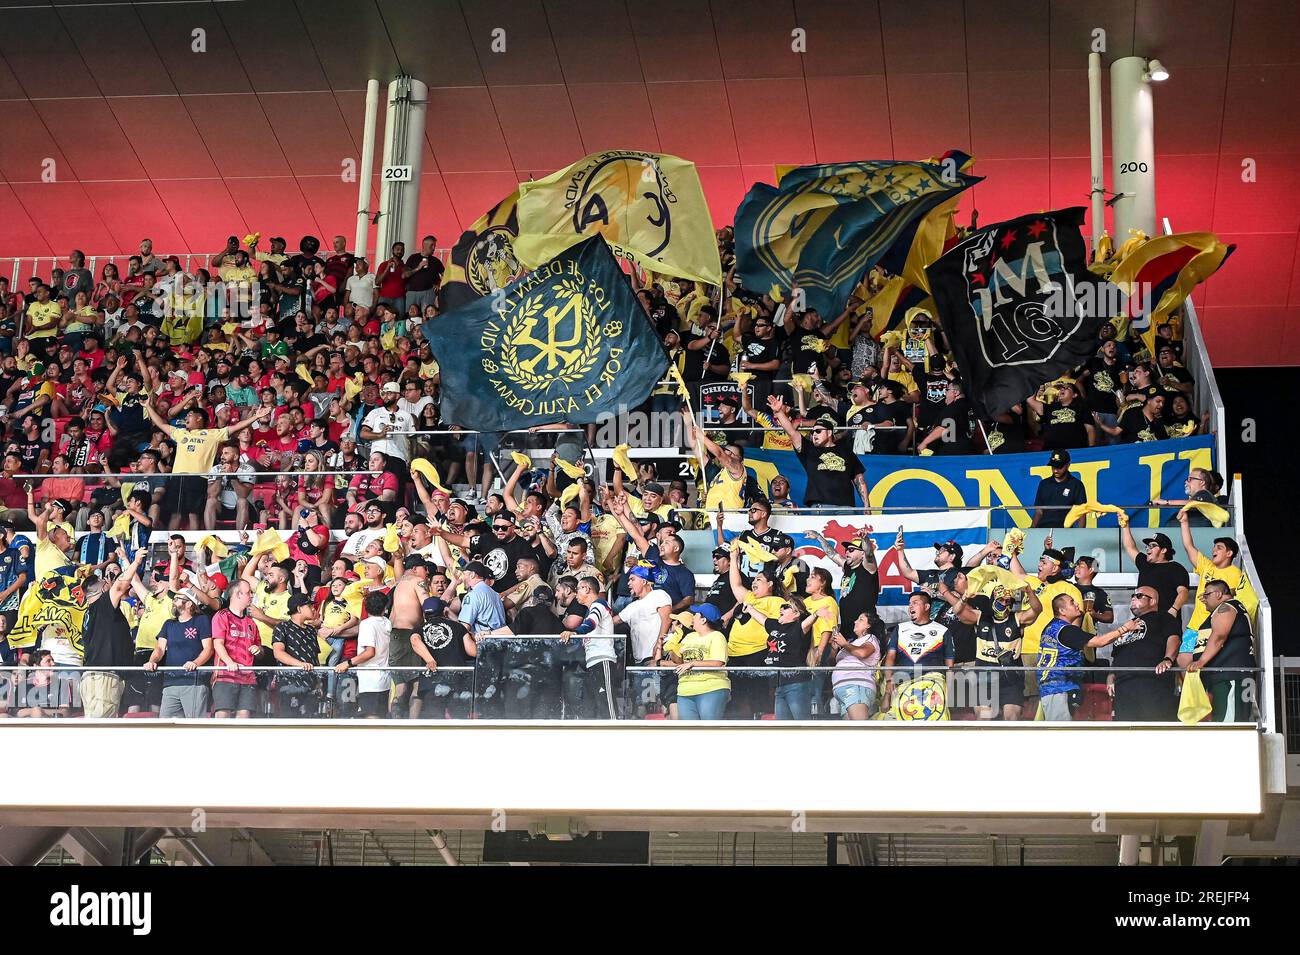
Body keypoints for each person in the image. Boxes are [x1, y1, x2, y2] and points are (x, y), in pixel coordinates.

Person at [1036, 594, 1143, 721]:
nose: (1077, 604)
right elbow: (1099, 641)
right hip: (1060, 689)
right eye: (1072, 602)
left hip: (1050, 689)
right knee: (1062, 734)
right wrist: (1125, 628)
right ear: (1062, 611)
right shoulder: (1067, 631)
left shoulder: (1050, 627)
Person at [955, 582, 1041, 721]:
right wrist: (965, 597)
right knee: (984, 718)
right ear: (993, 600)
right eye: (1000, 600)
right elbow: (958, 612)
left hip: (1010, 679)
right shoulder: (980, 617)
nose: (1004, 603)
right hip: (984, 678)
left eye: (1008, 601)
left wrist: (1030, 592)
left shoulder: (1018, 618)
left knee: (1011, 717)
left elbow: (1037, 610)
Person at [78, 551, 146, 718]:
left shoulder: (87, 615)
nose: (109, 583)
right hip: (103, 679)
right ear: (102, 588)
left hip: (94, 677)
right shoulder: (103, 605)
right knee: (102, 728)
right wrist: (135, 562)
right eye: (105, 582)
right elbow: (121, 586)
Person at [766, 397, 869, 507]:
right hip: (820, 507)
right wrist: (779, 412)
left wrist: (867, 505)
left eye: (818, 431)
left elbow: (859, 479)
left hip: (846, 507)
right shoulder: (809, 449)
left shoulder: (846, 451)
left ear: (829, 433)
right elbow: (791, 432)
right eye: (813, 432)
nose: (814, 434)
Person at [1182, 579, 1256, 723]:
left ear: (1218, 594)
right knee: (1221, 722)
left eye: (1206, 595)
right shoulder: (1222, 609)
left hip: (1230, 676)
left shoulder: (1227, 606)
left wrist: (1201, 661)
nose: (1203, 599)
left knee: (1229, 725)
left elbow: (1219, 636)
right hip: (1225, 677)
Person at [1107, 586, 1181, 721]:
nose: (1134, 598)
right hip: (1124, 688)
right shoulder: (1128, 625)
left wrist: (1168, 659)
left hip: (1152, 683)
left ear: (1153, 601)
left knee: (1153, 727)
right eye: (1133, 596)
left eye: (1139, 596)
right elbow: (1116, 654)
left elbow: (1174, 639)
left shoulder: (1164, 617)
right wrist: (1111, 676)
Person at [144, 588, 213, 718]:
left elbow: (208, 648)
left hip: (193, 681)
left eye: (176, 599)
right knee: (166, 724)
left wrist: (195, 663)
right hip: (171, 682)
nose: (173, 602)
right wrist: (152, 661)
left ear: (189, 604)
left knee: (194, 726)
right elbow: (159, 648)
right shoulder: (169, 624)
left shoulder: (201, 620)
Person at [881, 592, 953, 718]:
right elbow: (890, 658)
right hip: (904, 682)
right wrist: (888, 686)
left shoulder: (943, 630)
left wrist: (950, 696)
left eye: (915, 603)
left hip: (932, 682)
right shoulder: (900, 629)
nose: (911, 606)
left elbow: (949, 667)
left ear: (926, 607)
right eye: (909, 604)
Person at [743, 595, 814, 719]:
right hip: (778, 684)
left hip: (795, 682)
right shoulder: (776, 625)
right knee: (782, 727)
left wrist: (817, 614)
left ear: (796, 614)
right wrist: (749, 609)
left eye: (786, 607)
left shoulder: (798, 627)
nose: (781, 608)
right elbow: (763, 618)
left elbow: (807, 622)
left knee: (802, 724)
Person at [560, 575, 620, 719]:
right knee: (594, 706)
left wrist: (575, 632)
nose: (576, 594)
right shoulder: (592, 609)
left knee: (607, 705)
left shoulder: (599, 604)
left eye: (578, 589)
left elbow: (590, 624)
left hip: (602, 659)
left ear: (587, 589)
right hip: (593, 662)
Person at [661, 604, 730, 720]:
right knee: (689, 732)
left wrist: (693, 663)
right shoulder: (690, 637)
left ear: (703, 620)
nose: (693, 616)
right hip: (685, 690)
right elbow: (678, 661)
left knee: (709, 730)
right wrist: (673, 644)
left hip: (711, 688)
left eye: (696, 614)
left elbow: (718, 663)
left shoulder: (717, 636)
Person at [387, 553, 432, 717]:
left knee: (400, 685)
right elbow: (428, 606)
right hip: (410, 635)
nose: (427, 572)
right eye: (424, 568)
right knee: (417, 683)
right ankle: (413, 724)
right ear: (415, 568)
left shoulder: (399, 585)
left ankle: (395, 722)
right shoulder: (417, 581)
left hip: (395, 636)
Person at [210, 578, 261, 719]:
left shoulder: (251, 622)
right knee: (223, 714)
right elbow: (218, 644)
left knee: (244, 716)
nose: (251, 595)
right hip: (225, 676)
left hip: (248, 677)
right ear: (238, 594)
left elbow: (260, 648)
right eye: (248, 592)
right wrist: (229, 662)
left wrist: (258, 649)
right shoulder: (221, 616)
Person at [270, 593, 324, 717]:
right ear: (299, 608)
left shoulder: (311, 630)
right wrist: (301, 665)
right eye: (309, 606)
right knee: (290, 721)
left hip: (310, 685)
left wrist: (319, 683)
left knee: (311, 721)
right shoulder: (282, 627)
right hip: (289, 684)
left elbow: (315, 657)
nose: (313, 609)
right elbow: (278, 653)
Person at [1120, 526, 1190, 619]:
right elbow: (1130, 546)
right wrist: (1125, 526)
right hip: (1143, 621)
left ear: (1163, 550)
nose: (1148, 549)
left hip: (1165, 620)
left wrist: (1174, 609)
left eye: (1152, 546)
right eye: (1147, 546)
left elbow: (1183, 593)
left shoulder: (1175, 568)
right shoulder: (1144, 563)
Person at [346, 590, 392, 719]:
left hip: (371, 680)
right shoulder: (387, 623)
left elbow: (369, 652)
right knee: (379, 715)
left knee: (371, 717)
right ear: (384, 607)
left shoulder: (367, 624)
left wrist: (348, 663)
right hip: (383, 678)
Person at [829, 613, 883, 720]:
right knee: (851, 732)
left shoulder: (870, 638)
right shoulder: (852, 643)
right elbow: (832, 663)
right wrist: (835, 649)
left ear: (868, 626)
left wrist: (844, 644)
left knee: (860, 729)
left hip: (856, 686)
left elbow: (863, 653)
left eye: (861, 619)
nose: (855, 622)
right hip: (843, 689)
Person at [1031, 449, 1087, 528]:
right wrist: (1032, 528)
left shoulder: (1076, 485)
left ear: (1068, 465)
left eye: (1059, 467)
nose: (1056, 470)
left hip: (1065, 531)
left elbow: (1081, 513)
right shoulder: (1043, 484)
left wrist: (1081, 534)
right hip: (1043, 529)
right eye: (1053, 466)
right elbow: (1039, 511)